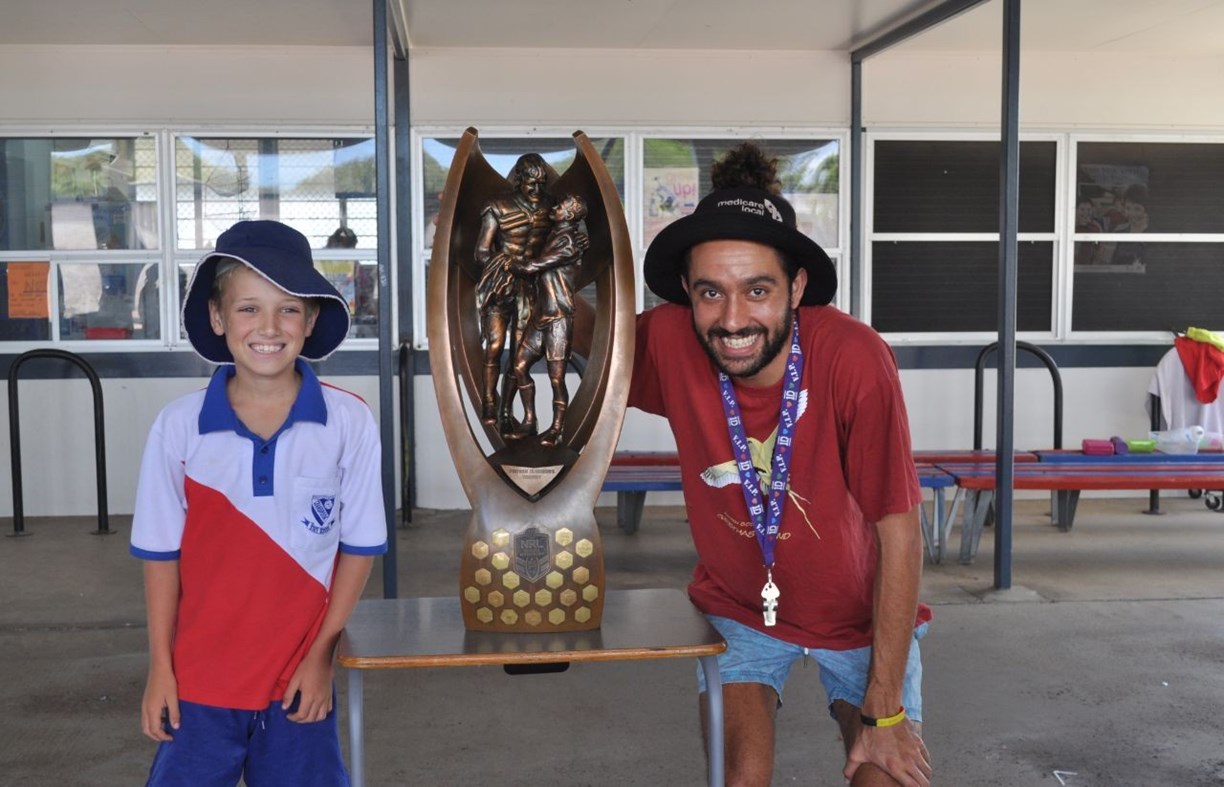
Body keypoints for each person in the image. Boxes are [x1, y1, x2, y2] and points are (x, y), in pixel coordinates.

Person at [631, 143, 932, 786]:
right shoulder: (666, 338)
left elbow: (899, 530)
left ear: (796, 286)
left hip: (857, 614)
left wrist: (882, 710)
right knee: (741, 779)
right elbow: (579, 333)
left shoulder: (854, 357)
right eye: (710, 291)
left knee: (884, 776)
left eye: (758, 290)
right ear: (686, 291)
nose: (733, 319)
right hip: (742, 609)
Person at [129, 220, 387, 786]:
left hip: (297, 682)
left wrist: (321, 657)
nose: (268, 328)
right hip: (198, 682)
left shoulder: (348, 422)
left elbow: (359, 548)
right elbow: (160, 558)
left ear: (312, 319)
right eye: (248, 309)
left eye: (288, 309)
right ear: (218, 319)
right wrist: (160, 670)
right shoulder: (179, 427)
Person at [474, 153, 555, 434]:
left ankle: (507, 410)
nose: (536, 190)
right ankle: (488, 399)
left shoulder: (550, 208)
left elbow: (559, 243)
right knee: (495, 345)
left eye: (540, 184)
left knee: (519, 353)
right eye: (531, 183)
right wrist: (507, 263)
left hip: (531, 288)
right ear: (519, 180)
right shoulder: (497, 207)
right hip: (501, 284)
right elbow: (481, 251)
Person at [508, 193, 589, 446]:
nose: (555, 207)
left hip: (559, 318)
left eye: (561, 205)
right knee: (519, 367)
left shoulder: (570, 242)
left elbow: (535, 266)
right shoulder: (555, 235)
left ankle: (557, 427)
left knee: (557, 379)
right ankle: (530, 421)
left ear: (571, 214)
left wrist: (508, 262)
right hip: (540, 314)